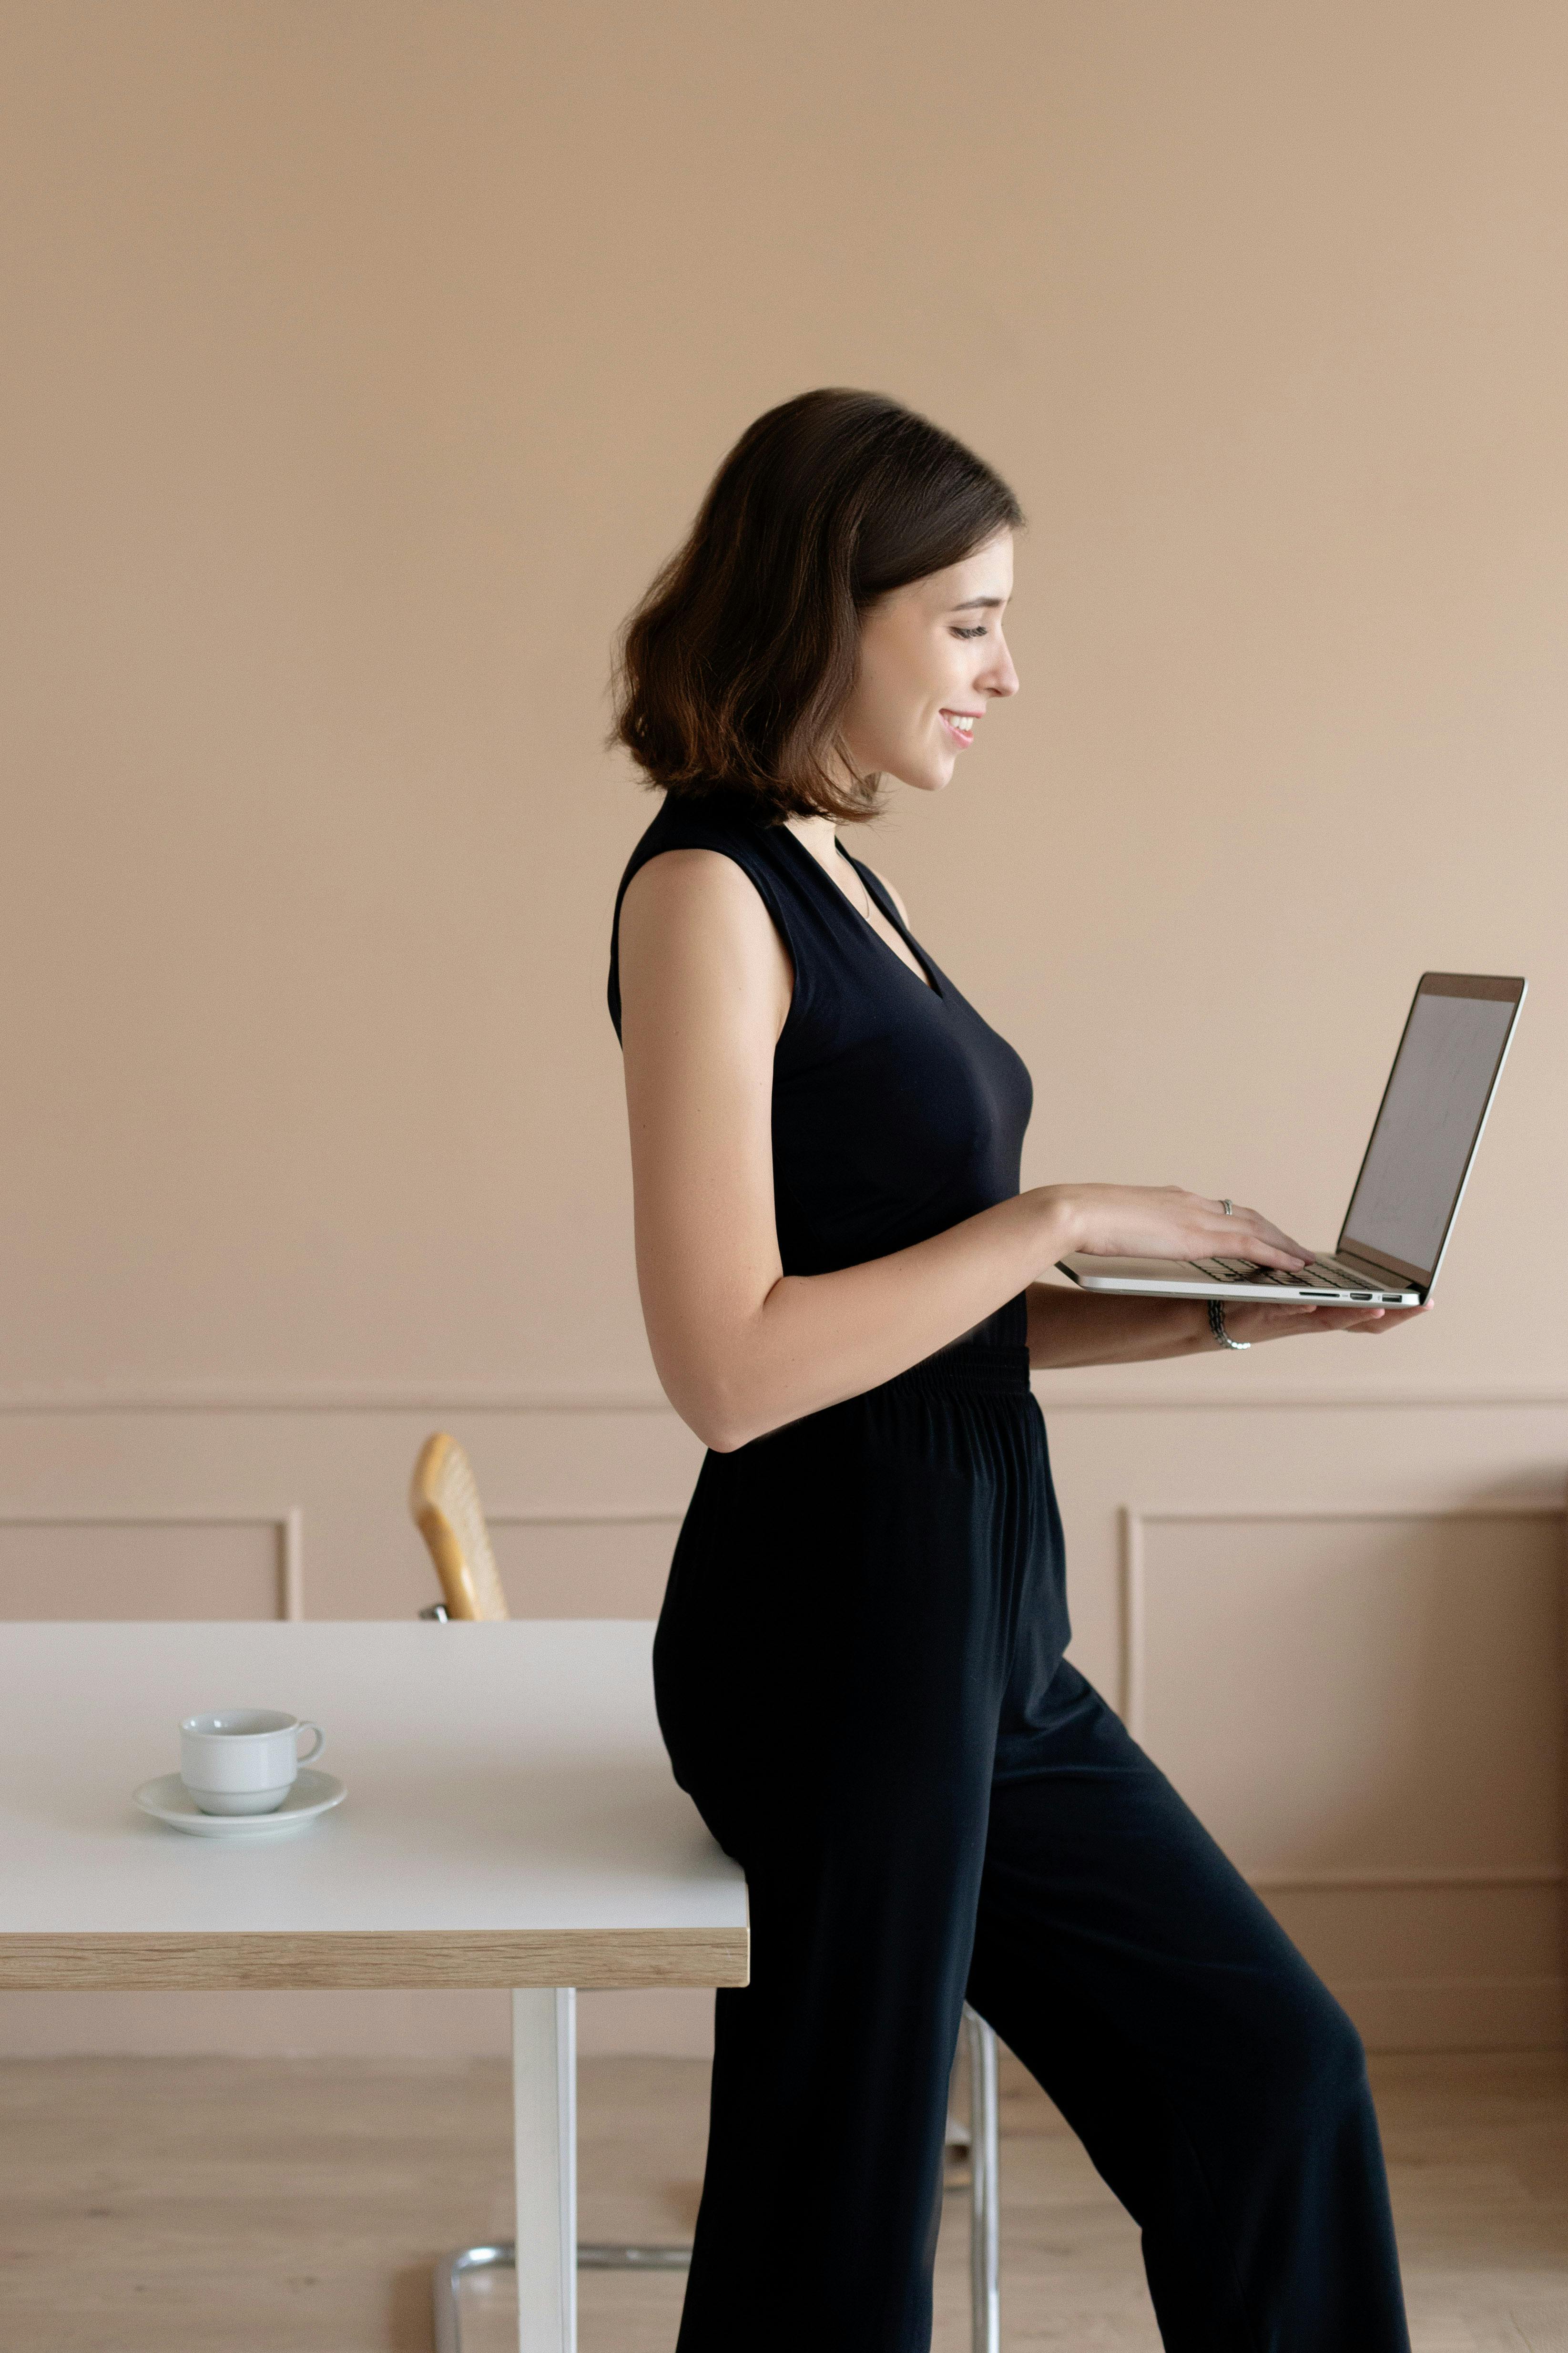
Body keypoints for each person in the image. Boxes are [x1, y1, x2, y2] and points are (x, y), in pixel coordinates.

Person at [607, 388, 1418, 2353]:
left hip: (978, 1627)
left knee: (1271, 2079)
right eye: (966, 619)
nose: (1003, 669)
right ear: (832, 607)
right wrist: (1055, 1214)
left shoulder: (843, 866)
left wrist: (1226, 1308)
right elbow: (731, 1362)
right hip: (831, 1633)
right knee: (839, 2208)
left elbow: (917, 1311)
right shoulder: (705, 893)